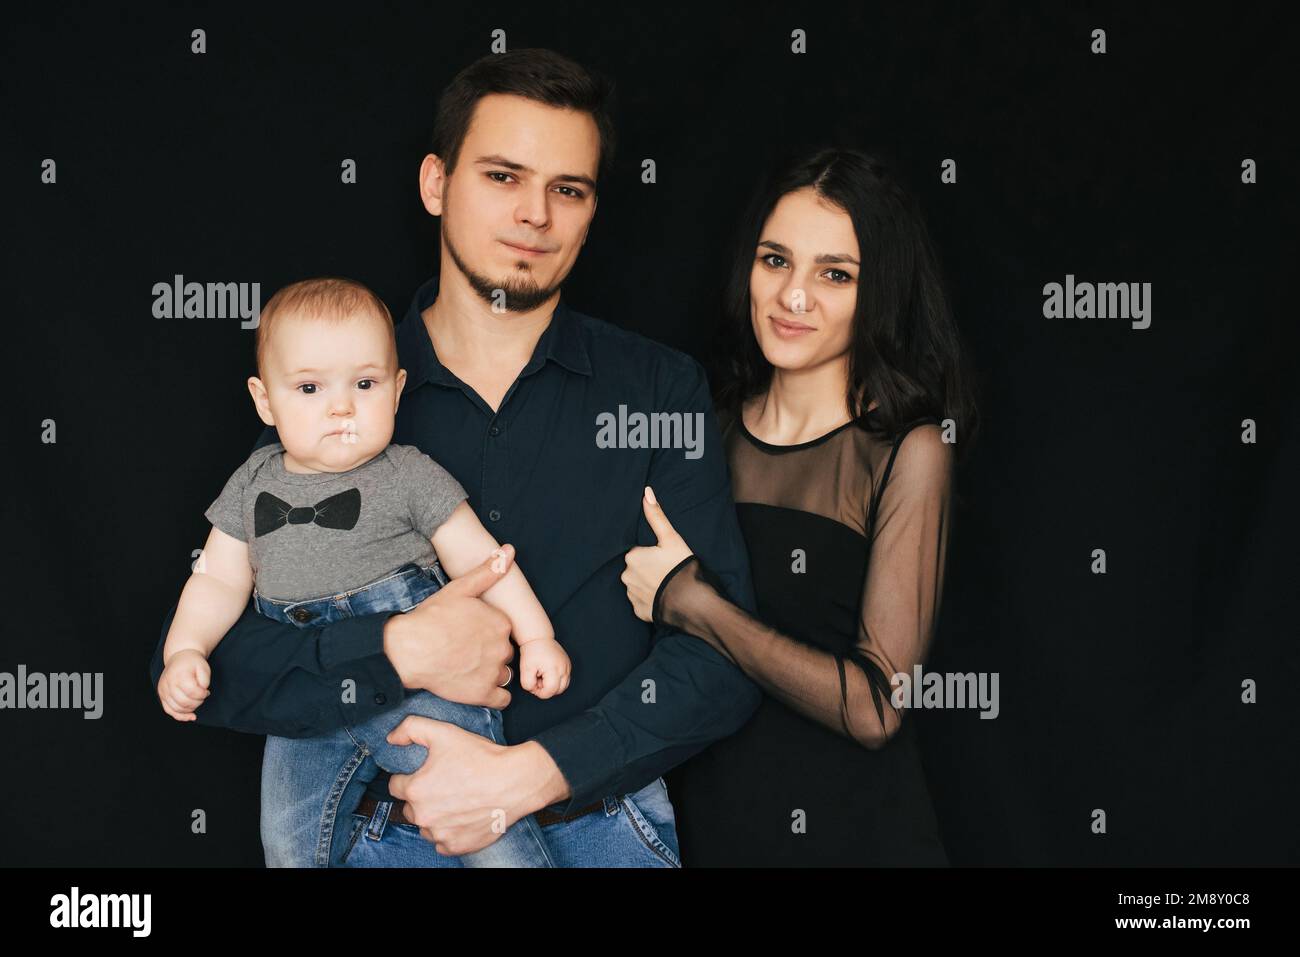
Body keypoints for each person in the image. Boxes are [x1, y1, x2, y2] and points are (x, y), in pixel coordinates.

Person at [147, 48, 762, 867]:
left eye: (567, 189)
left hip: (602, 828)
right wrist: (396, 649)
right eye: (503, 176)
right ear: (436, 184)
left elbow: (725, 663)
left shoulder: (656, 388)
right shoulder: (335, 384)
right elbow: (215, 659)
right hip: (377, 838)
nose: (535, 214)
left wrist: (525, 778)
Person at [621, 147, 981, 865]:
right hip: (705, 833)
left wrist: (696, 604)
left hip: (857, 839)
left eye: (835, 274)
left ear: (879, 291)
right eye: (776, 260)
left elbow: (877, 707)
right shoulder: (702, 430)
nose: (793, 297)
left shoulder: (906, 451)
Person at [156, 277, 568, 867]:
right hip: (310, 695)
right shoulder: (250, 484)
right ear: (264, 400)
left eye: (365, 384)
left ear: (398, 392)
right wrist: (185, 651)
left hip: (423, 686)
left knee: (482, 822)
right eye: (309, 387)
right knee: (287, 840)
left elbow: (486, 563)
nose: (341, 406)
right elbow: (217, 580)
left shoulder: (409, 473)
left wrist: (536, 636)